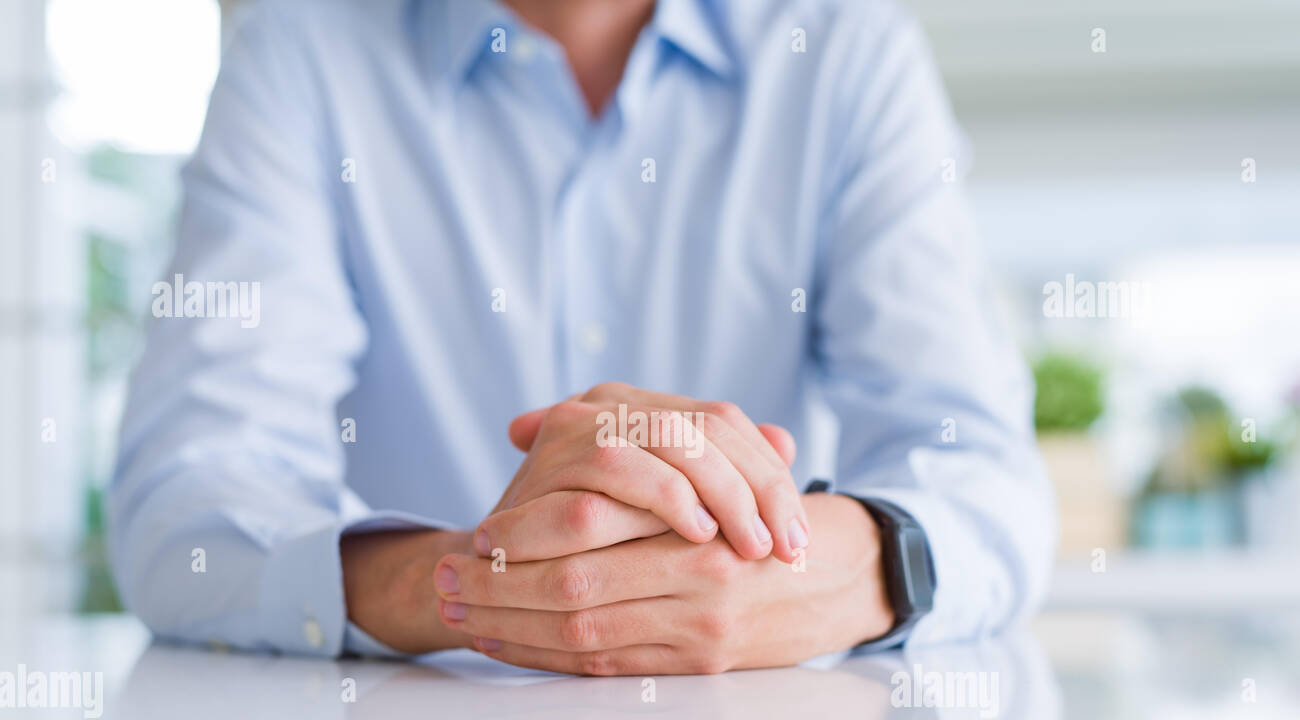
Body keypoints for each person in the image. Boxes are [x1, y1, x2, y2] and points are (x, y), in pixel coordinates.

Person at [109, 0, 1055, 675]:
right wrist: (479, 585)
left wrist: (822, 573)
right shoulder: (301, 50)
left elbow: (982, 470)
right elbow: (186, 500)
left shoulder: (846, 51)